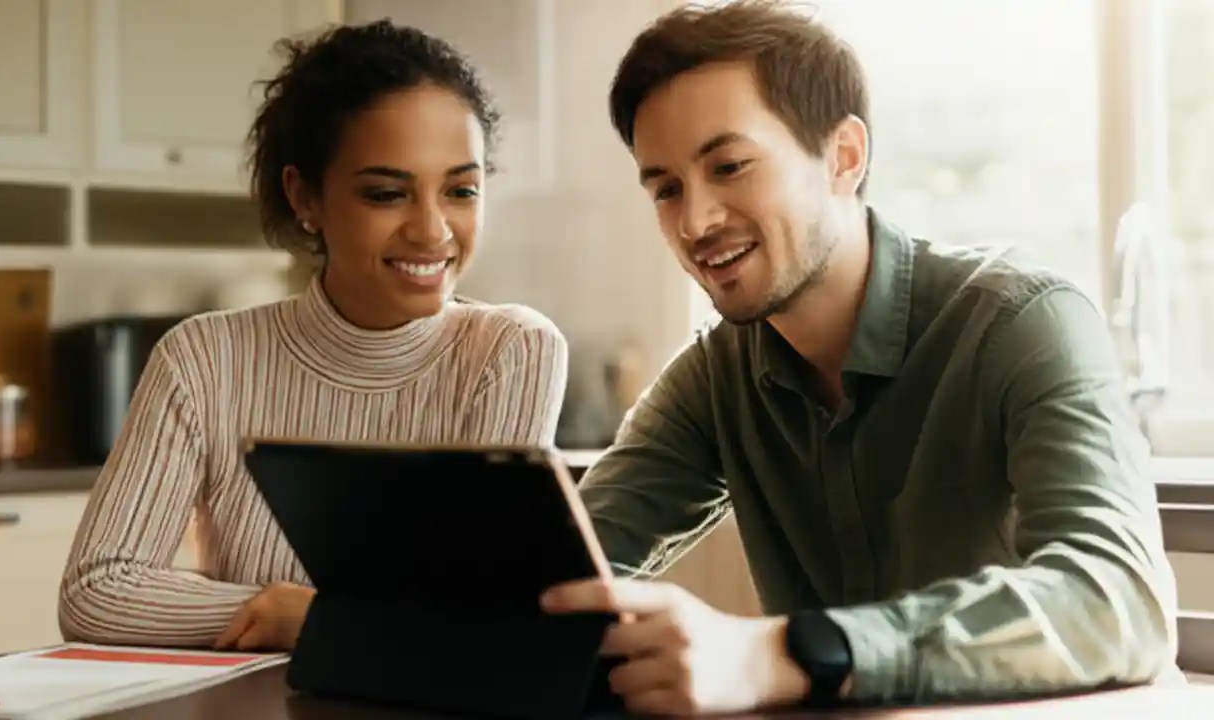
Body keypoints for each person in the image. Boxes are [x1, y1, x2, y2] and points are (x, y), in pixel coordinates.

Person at [540, 1, 1179, 715]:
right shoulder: (713, 378)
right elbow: (559, 572)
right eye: (666, 189)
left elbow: (1114, 596)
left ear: (843, 157)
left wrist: (786, 652)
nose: (695, 221)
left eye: (729, 166)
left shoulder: (1025, 322)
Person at [59, 20, 568, 652]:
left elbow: (479, 613)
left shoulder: (511, 350)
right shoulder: (203, 358)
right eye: (387, 193)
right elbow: (97, 590)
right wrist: (271, 608)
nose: (433, 231)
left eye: (461, 190)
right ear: (305, 197)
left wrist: (318, 618)